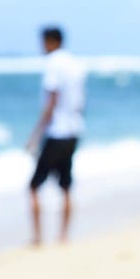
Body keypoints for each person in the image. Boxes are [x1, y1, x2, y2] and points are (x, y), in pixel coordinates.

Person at [26, 27, 86, 245]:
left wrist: (35, 135)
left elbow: (52, 101)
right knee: (66, 185)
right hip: (74, 130)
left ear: (50, 42)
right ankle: (64, 236)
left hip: (57, 131)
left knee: (33, 187)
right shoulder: (75, 64)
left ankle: (38, 237)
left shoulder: (53, 64)